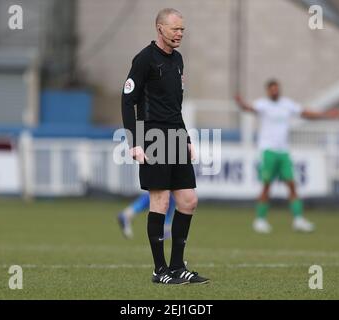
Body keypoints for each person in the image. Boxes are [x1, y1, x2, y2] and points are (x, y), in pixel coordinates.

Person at [121, 8, 209, 285]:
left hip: (175, 137)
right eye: (175, 29)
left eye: (182, 29)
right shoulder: (144, 59)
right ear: (160, 29)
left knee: (188, 201)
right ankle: (160, 271)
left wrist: (186, 139)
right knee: (160, 201)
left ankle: (177, 267)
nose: (180, 33)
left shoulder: (178, 60)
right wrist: (134, 142)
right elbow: (127, 100)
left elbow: (175, 106)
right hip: (152, 137)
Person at [235, 79, 339, 233]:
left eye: (277, 89)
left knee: (291, 185)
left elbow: (305, 113)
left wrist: (325, 114)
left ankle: (298, 219)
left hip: (283, 152)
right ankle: (260, 220)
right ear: (268, 91)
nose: (275, 91)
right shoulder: (263, 104)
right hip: (268, 151)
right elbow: (249, 108)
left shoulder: (287, 104)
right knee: (266, 185)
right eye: (272, 89)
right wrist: (241, 103)